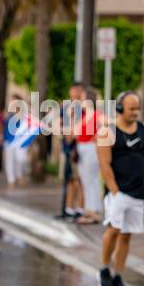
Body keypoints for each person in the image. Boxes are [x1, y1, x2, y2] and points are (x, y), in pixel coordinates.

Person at [96, 91, 144, 286]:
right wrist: (115, 191)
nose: (136, 112)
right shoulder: (106, 131)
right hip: (117, 192)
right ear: (119, 108)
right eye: (131, 109)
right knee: (113, 230)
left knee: (126, 235)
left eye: (138, 108)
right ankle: (103, 270)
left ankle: (118, 275)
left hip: (137, 192)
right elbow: (105, 165)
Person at [73, 88, 102, 224]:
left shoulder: (97, 115)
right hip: (82, 147)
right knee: (86, 180)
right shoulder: (84, 116)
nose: (81, 101)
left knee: (92, 179)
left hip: (91, 148)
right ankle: (89, 209)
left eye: (83, 98)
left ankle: (93, 210)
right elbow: (76, 132)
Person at [60, 83, 85, 219]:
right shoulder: (65, 107)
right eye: (73, 92)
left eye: (78, 92)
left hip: (79, 148)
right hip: (68, 148)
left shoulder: (85, 109)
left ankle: (79, 208)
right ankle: (69, 208)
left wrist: (73, 133)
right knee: (69, 179)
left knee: (78, 179)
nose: (75, 95)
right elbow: (60, 124)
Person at [3, 93, 38, 188]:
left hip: (20, 141)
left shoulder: (25, 114)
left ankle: (19, 175)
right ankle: (11, 180)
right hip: (9, 140)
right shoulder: (8, 114)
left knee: (21, 159)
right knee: (9, 160)